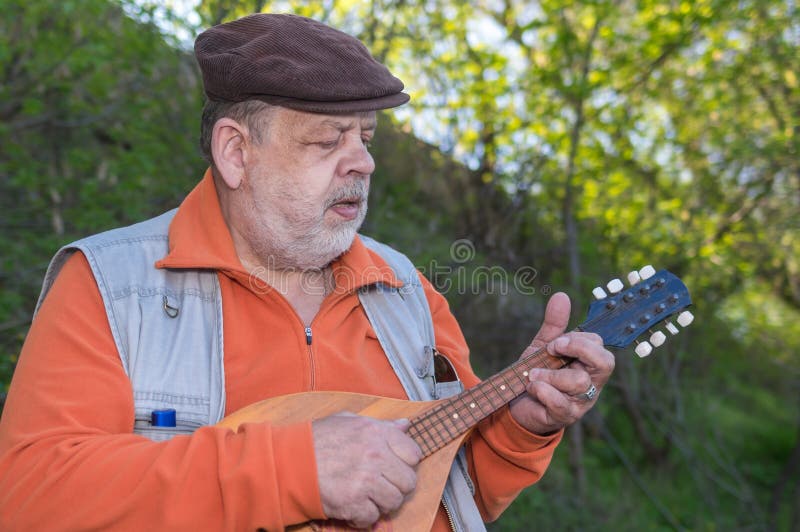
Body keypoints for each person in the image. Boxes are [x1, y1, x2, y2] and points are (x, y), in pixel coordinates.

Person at [0, 13, 614, 532]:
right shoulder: (110, 285)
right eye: (328, 142)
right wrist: (292, 470)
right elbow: (29, 496)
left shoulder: (407, 295)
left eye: (367, 138)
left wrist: (518, 431)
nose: (364, 162)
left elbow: (452, 496)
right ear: (237, 153)